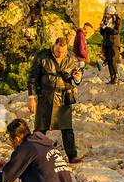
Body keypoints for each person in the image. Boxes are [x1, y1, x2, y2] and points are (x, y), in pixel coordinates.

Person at [28, 35, 84, 164]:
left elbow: (75, 80)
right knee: (40, 129)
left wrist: (77, 78)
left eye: (63, 52)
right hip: (45, 97)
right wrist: (31, 98)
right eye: (58, 51)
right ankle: (32, 156)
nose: (61, 54)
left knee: (67, 129)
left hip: (63, 97)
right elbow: (32, 77)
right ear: (54, 46)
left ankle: (72, 156)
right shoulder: (42, 56)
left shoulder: (70, 58)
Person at [99, 6, 122, 84]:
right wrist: (102, 28)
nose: (106, 15)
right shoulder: (105, 20)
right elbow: (103, 33)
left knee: (112, 59)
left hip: (114, 42)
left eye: (108, 14)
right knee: (108, 60)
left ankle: (116, 76)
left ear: (112, 14)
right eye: (106, 14)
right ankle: (112, 77)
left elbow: (116, 31)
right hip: (107, 43)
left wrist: (105, 27)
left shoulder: (117, 20)